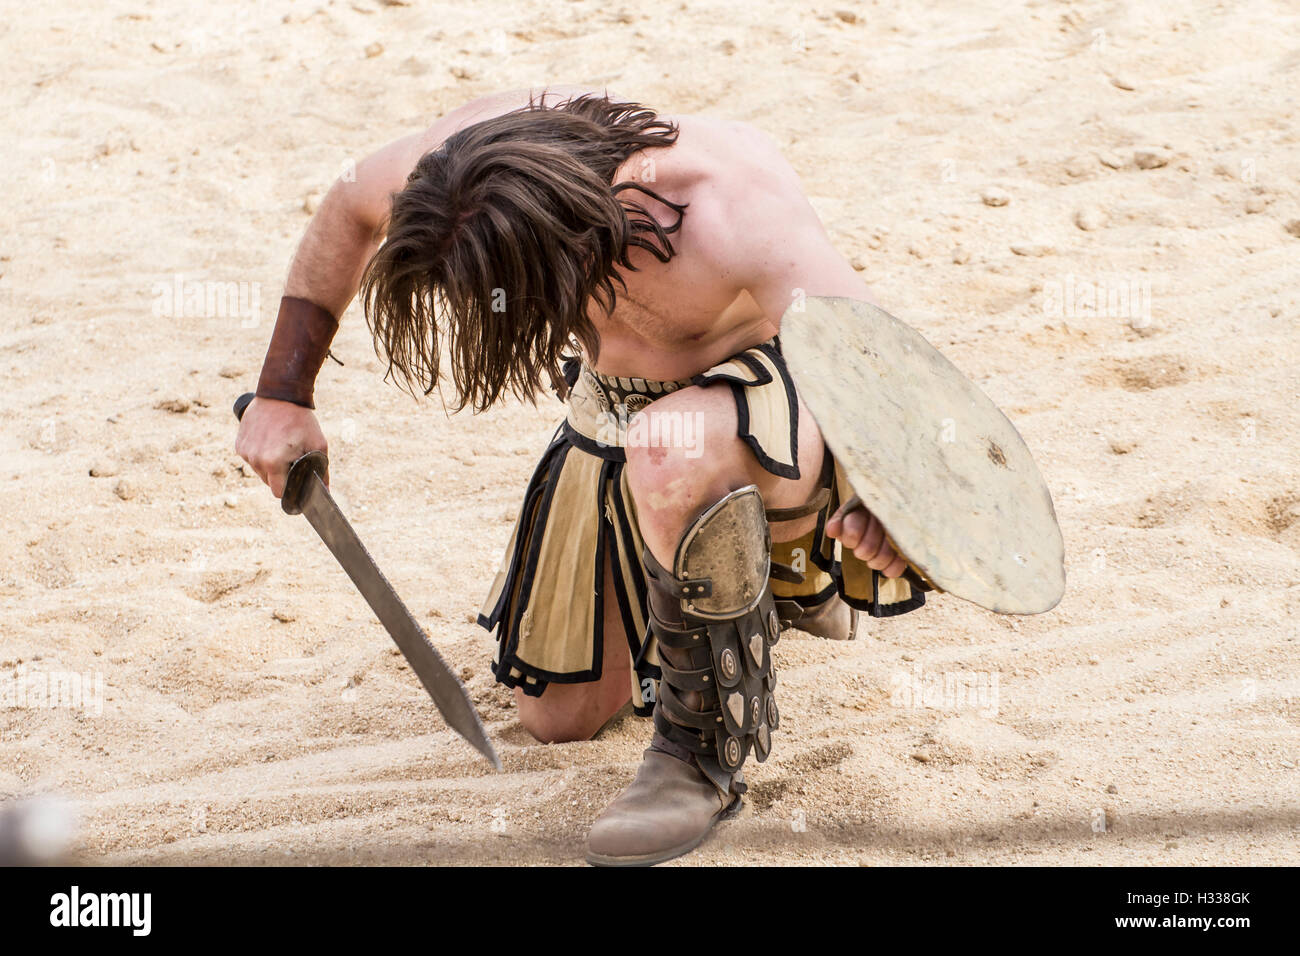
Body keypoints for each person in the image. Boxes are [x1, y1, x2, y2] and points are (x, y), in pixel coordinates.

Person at [235, 86, 929, 866]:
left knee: (668, 443)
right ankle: (743, 585)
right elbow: (348, 205)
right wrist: (282, 392)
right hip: (614, 410)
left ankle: (700, 752)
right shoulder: (463, 169)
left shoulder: (730, 205)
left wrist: (887, 500)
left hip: (777, 400)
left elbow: (880, 371)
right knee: (558, 716)